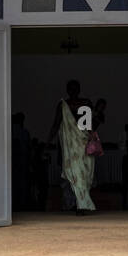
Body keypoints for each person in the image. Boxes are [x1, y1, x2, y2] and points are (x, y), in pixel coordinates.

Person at [48, 79, 96, 214]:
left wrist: (48, 142)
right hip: (79, 146)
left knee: (76, 176)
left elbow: (56, 125)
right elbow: (88, 126)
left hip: (73, 148)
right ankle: (81, 204)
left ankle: (79, 204)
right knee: (81, 175)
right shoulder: (84, 103)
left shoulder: (65, 105)